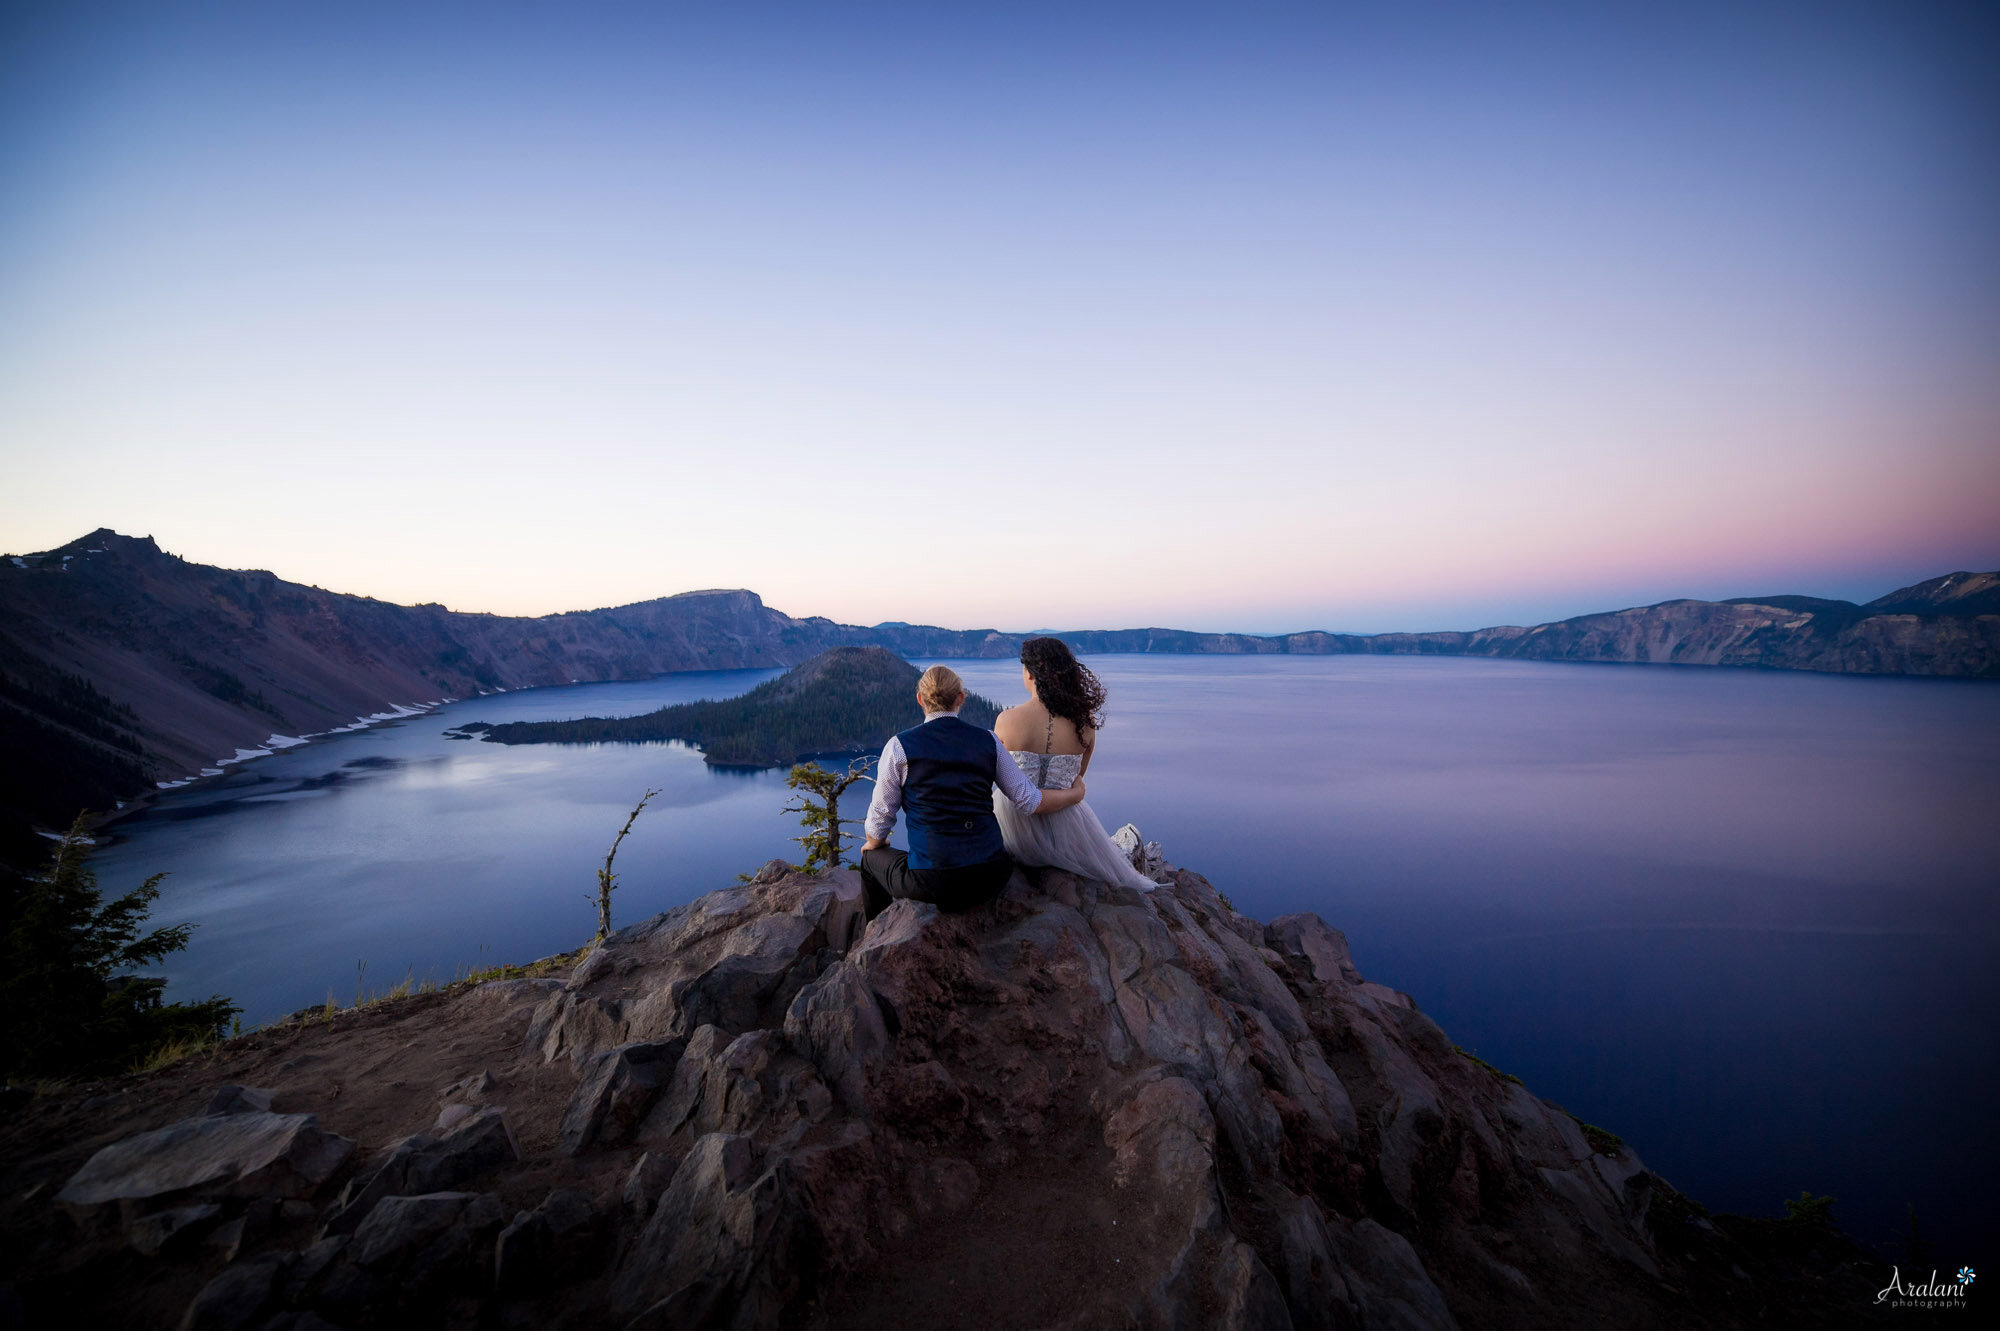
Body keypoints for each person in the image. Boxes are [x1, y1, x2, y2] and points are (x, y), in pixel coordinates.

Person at [860, 664, 1088, 917]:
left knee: (870, 860)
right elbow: (1030, 801)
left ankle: (873, 935)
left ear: (919, 699)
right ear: (961, 698)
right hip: (989, 876)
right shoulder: (988, 741)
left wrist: (875, 843)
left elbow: (880, 818)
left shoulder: (899, 747)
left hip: (932, 882)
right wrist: (1075, 794)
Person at [992, 637, 1158, 892]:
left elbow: (999, 776)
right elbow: (1078, 777)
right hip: (1066, 827)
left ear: (1031, 674)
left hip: (1011, 827)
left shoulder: (1006, 720)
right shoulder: (1085, 722)